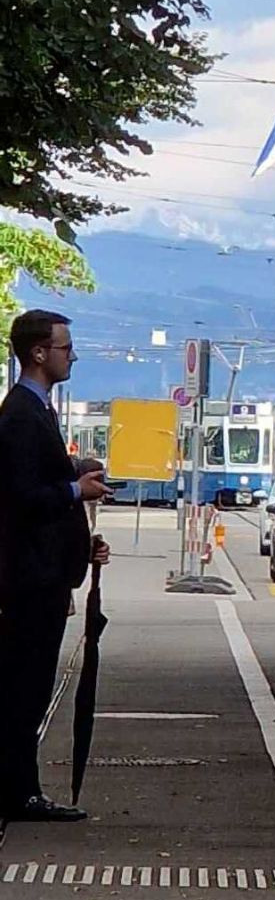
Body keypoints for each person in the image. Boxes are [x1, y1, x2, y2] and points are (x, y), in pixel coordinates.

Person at [0, 310, 110, 822]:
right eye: (66, 348)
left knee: (31, 685)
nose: (73, 357)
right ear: (39, 352)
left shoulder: (38, 409)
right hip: (28, 582)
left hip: (43, 577)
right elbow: (20, 497)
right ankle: (18, 793)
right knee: (25, 687)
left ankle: (20, 788)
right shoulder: (21, 413)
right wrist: (74, 489)